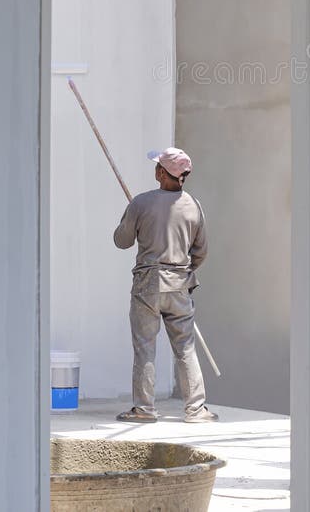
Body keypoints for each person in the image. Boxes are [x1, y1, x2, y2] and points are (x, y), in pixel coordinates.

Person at [113, 147, 218, 424]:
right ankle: (196, 410)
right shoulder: (194, 206)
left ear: (161, 173)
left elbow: (121, 241)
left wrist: (130, 218)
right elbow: (201, 252)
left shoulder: (141, 203)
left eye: (157, 165)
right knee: (185, 347)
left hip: (147, 285)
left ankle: (144, 409)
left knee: (145, 348)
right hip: (180, 285)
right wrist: (183, 272)